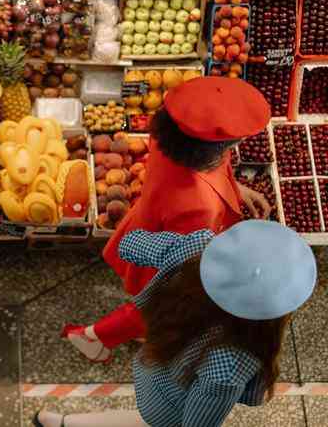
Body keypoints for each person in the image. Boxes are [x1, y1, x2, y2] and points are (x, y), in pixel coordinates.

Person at [63, 76, 273, 362]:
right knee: (162, 303)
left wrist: (237, 188)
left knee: (154, 299)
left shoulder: (167, 136)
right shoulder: (199, 207)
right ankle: (94, 336)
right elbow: (188, 264)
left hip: (149, 221)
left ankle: (99, 335)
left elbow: (211, 167)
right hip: (170, 249)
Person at [35, 220, 316, 427]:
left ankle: (62, 423)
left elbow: (129, 244)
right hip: (170, 403)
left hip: (151, 363)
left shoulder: (199, 247)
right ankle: (63, 424)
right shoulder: (233, 363)